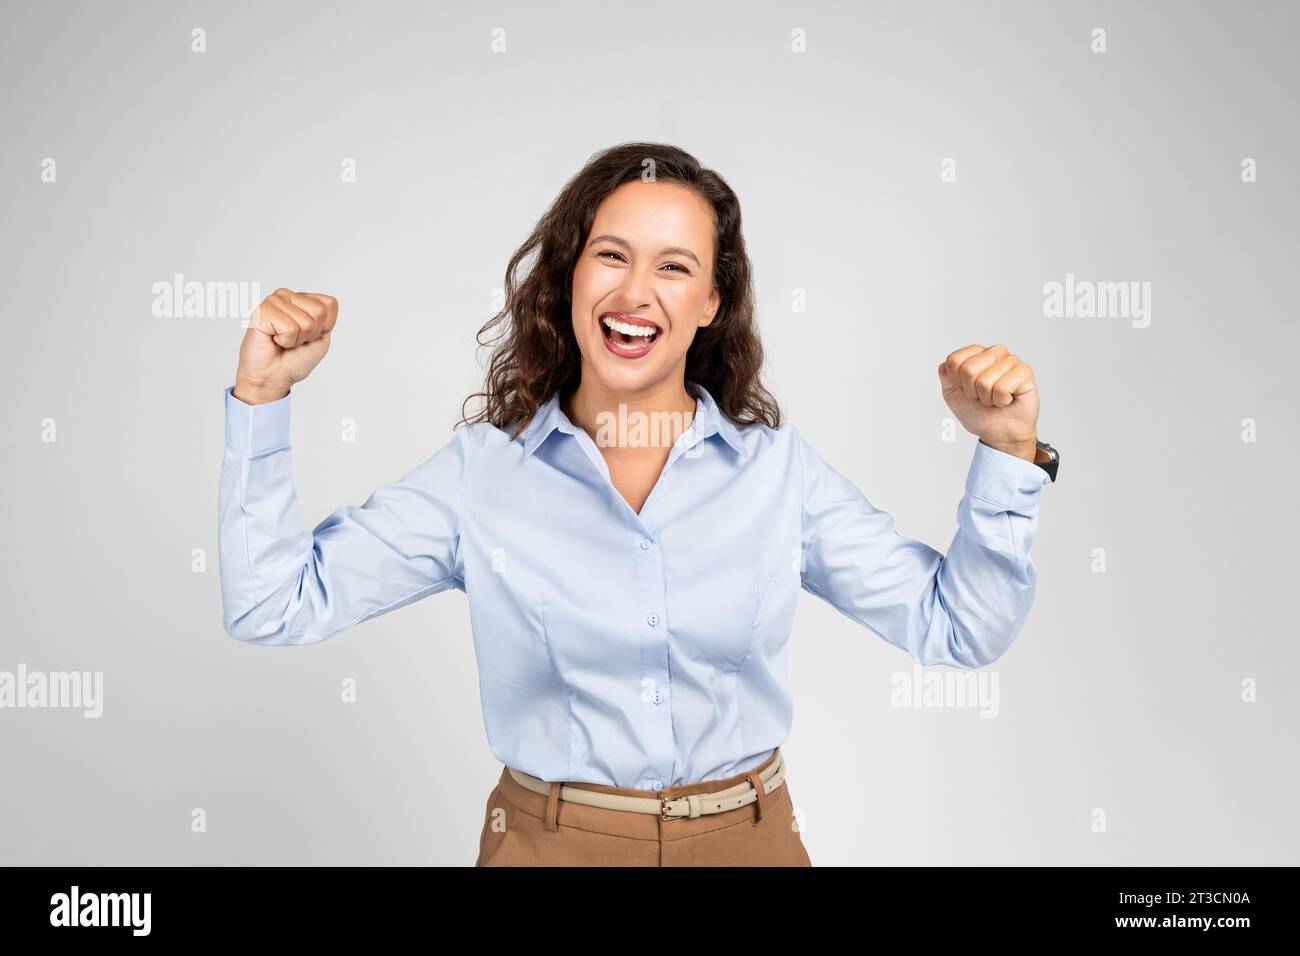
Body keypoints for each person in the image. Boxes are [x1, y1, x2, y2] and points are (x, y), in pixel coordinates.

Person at [217, 142, 1058, 867]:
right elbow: (273, 603)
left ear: (711, 303)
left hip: (748, 846)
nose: (636, 291)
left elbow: (958, 627)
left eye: (675, 266)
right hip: (546, 848)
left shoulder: (777, 473)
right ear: (570, 275)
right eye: (611, 255)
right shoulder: (483, 475)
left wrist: (1006, 453)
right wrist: (260, 397)